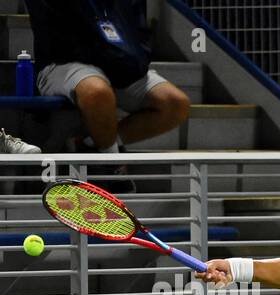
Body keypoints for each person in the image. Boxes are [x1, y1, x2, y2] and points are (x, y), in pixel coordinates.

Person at [25, 1, 190, 185]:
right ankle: (111, 165)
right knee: (98, 92)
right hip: (64, 61)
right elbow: (60, 35)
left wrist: (128, 60)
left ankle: (91, 144)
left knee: (175, 103)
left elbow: (137, 35)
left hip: (117, 62)